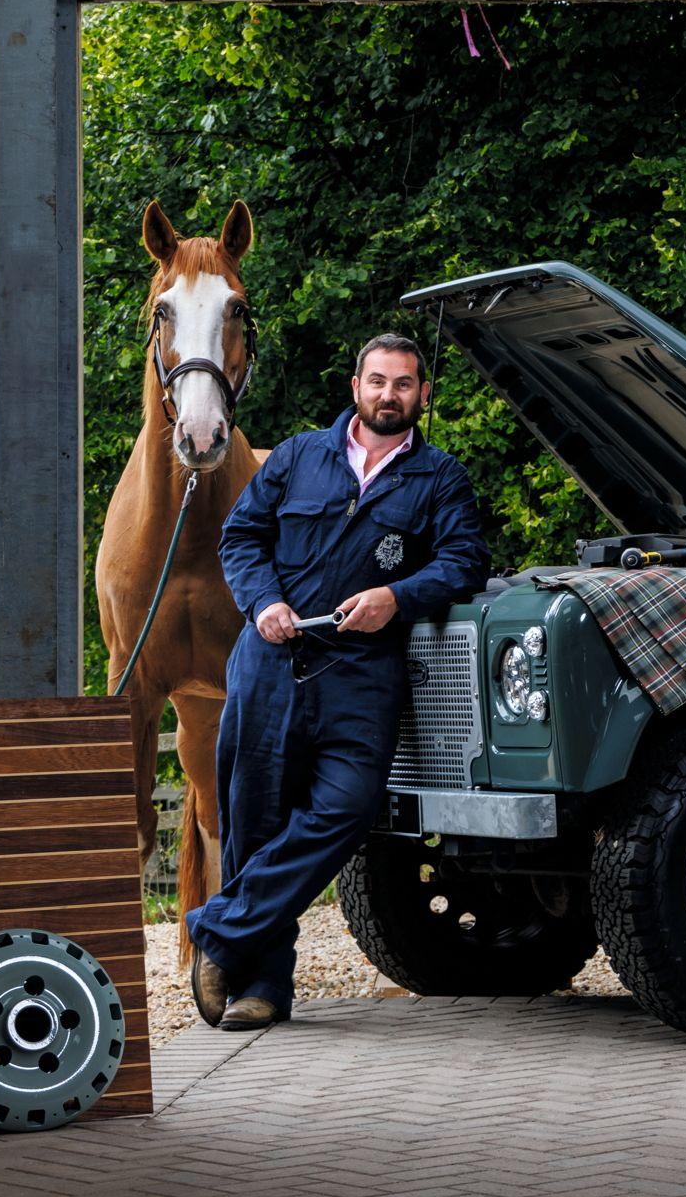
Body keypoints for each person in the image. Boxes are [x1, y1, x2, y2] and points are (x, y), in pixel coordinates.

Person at [186, 333, 490, 1029]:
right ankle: (262, 989)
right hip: (269, 663)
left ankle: (220, 930)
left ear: (422, 394)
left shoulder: (440, 477)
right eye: (378, 381)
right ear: (356, 387)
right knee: (253, 824)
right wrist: (264, 602)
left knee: (346, 812)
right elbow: (241, 537)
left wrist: (399, 596)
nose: (390, 394)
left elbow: (465, 561)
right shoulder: (298, 457)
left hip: (362, 673)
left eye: (404, 384)